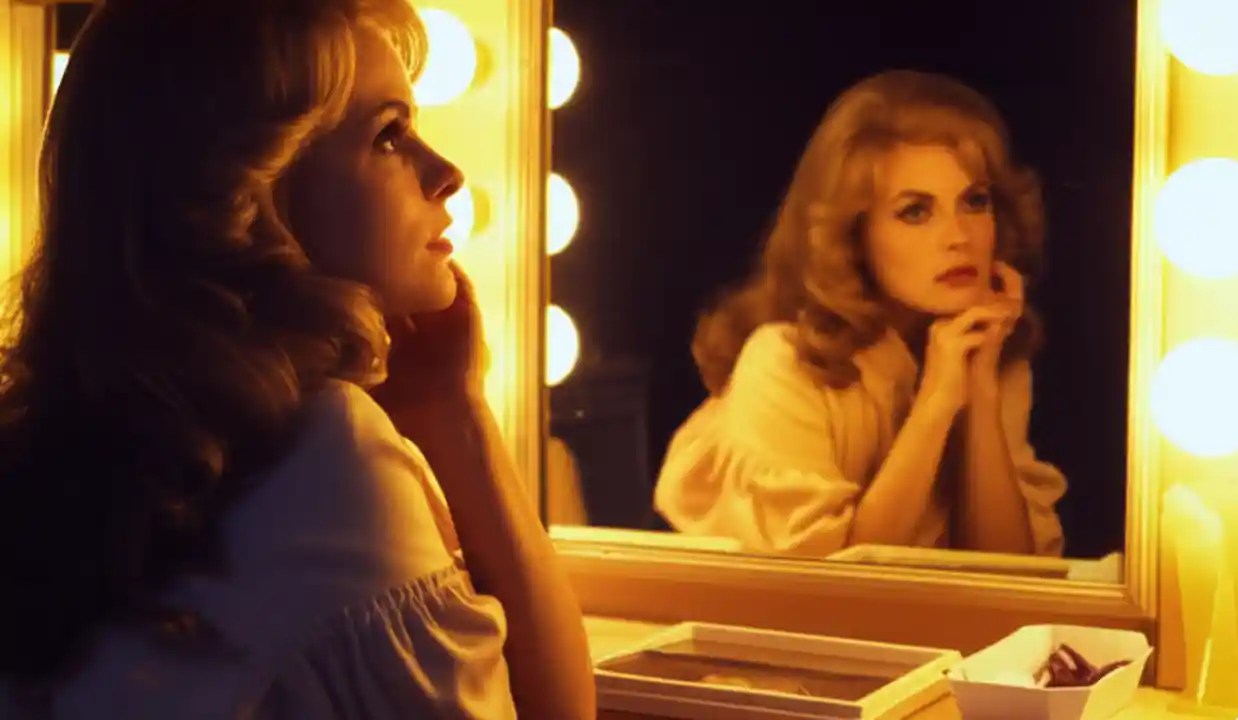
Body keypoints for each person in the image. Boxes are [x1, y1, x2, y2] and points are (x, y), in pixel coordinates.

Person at [0, 1, 594, 718]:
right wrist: (457, 418)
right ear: (253, 193)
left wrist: (443, 402)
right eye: (389, 135)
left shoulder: (77, 446)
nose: (446, 173)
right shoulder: (322, 461)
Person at [653, 70, 1067, 559]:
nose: (959, 236)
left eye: (975, 202)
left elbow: (1006, 577)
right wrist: (936, 402)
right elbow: (848, 591)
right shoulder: (783, 363)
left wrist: (976, 388)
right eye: (916, 211)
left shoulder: (988, 352)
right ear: (854, 232)